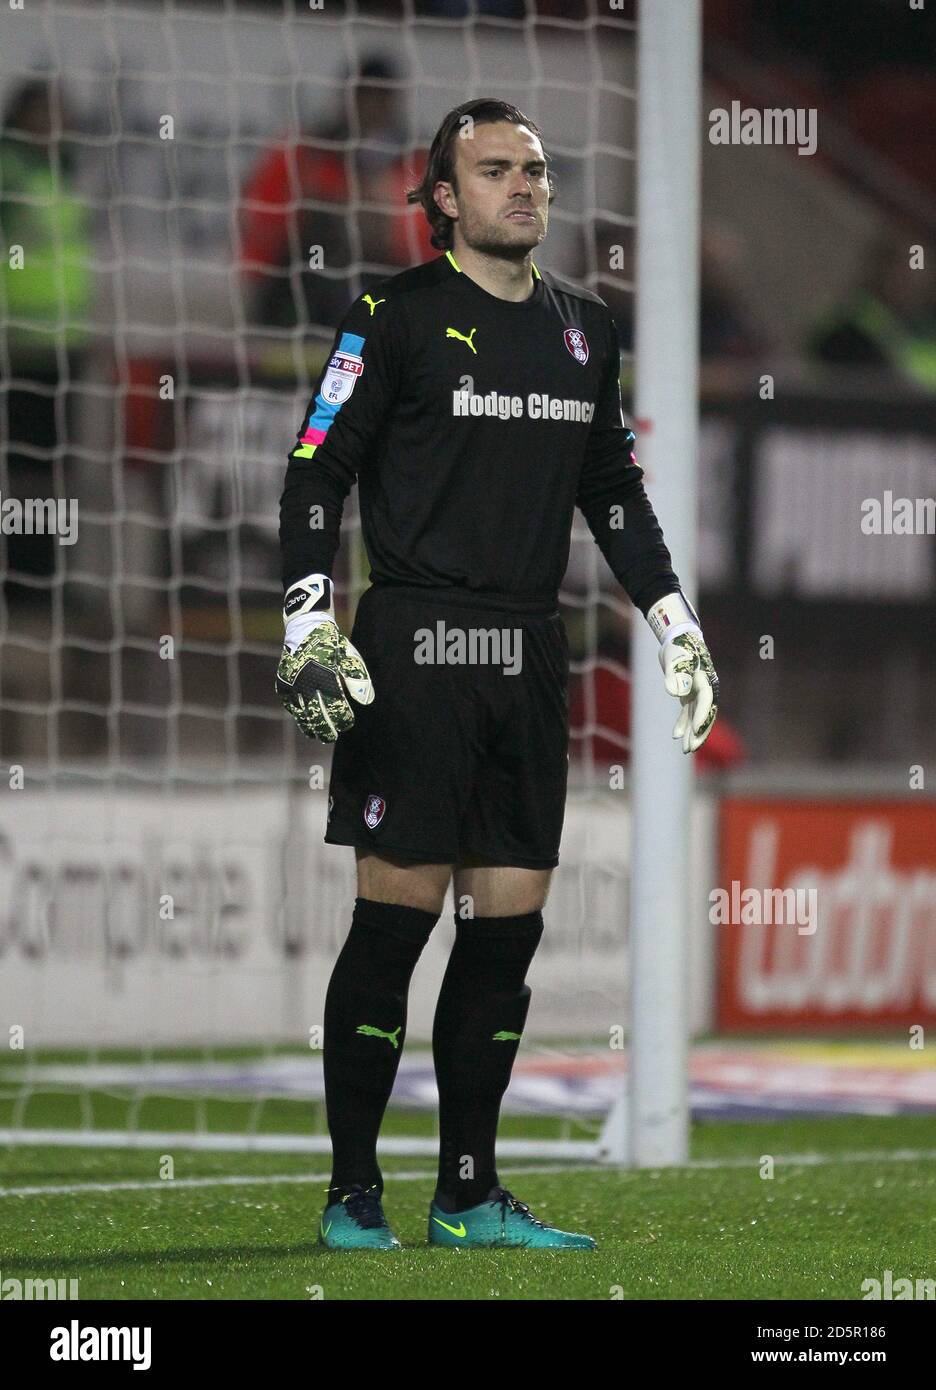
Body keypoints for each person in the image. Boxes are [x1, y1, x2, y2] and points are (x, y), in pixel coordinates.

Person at [276, 99, 719, 1250]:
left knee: (508, 927)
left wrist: (672, 616)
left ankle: (468, 1190)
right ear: (441, 200)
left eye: (535, 169)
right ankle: (353, 1188)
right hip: (415, 646)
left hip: (528, 650)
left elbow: (611, 489)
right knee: (396, 921)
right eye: (495, 171)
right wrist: (306, 620)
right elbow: (316, 474)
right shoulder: (393, 317)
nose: (525, 186)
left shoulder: (585, 330)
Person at [239, 55, 434, 334]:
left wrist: (384, 216)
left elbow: (427, 244)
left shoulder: (414, 163)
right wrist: (327, 205)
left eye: (381, 97)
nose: (372, 106)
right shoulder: (306, 154)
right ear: (349, 98)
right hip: (303, 286)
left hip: (385, 280)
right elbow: (260, 222)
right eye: (365, 95)